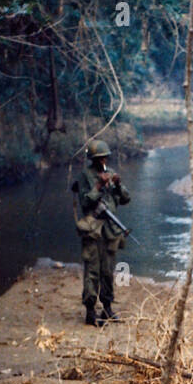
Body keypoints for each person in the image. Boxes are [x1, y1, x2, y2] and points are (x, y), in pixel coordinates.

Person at [73, 139, 131, 325]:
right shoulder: (85, 176)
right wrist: (98, 187)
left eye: (105, 157)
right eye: (99, 157)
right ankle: (90, 312)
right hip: (93, 231)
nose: (103, 160)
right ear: (92, 158)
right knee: (92, 271)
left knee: (108, 271)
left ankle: (107, 308)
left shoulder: (111, 173)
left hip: (111, 231)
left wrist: (118, 185)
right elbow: (84, 203)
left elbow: (125, 200)